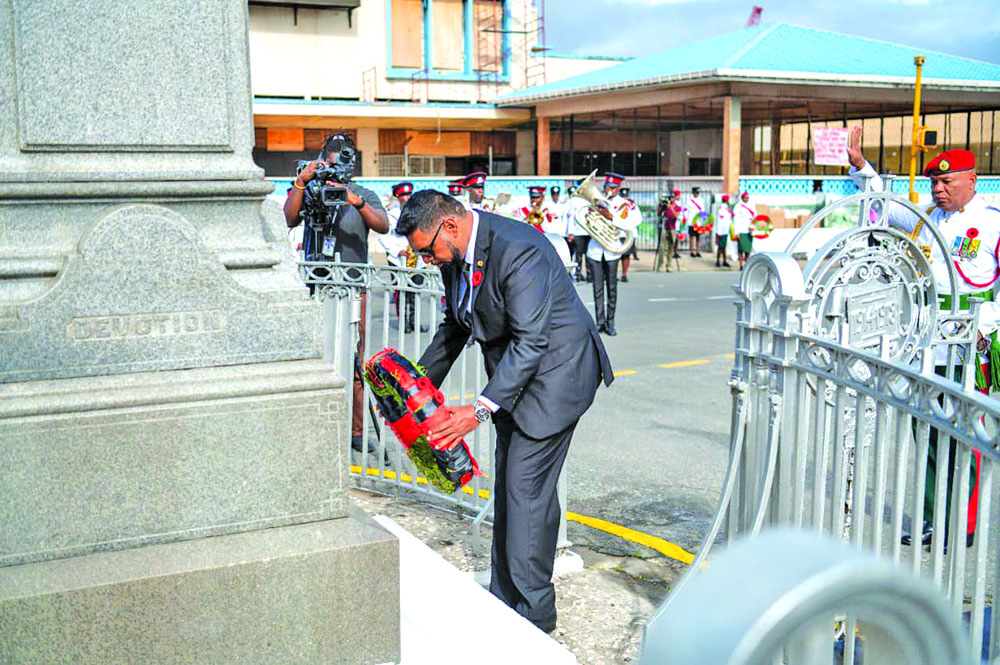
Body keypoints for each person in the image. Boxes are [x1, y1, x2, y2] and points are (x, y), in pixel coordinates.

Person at [395, 190, 614, 634]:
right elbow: (454, 328)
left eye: (427, 250)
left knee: (524, 492)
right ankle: (504, 600)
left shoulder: (519, 249)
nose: (427, 261)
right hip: (516, 381)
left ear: (450, 226)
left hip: (556, 375)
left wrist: (476, 411)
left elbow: (531, 340)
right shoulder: (454, 255)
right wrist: (411, 389)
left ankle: (535, 618)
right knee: (515, 490)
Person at [847, 126, 999, 548]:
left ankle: (964, 526)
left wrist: (989, 326)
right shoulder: (928, 219)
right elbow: (886, 205)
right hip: (926, 340)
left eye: (946, 181)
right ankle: (936, 518)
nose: (938, 188)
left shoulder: (990, 224)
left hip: (970, 343)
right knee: (927, 432)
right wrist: (864, 168)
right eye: (934, 181)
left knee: (964, 435)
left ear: (972, 179)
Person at [283, 133, 390, 453]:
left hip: (354, 286)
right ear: (321, 161)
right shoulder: (310, 188)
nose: (334, 175)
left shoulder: (362, 193)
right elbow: (288, 218)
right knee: (314, 357)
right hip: (317, 286)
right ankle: (313, 424)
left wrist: (353, 201)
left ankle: (356, 430)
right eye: (329, 166)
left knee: (355, 359)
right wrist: (302, 182)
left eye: (341, 167)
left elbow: (383, 225)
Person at [585, 172, 641, 335]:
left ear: (619, 188)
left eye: (614, 187)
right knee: (597, 289)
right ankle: (599, 322)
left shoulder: (626, 205)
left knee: (612, 288)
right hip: (595, 250)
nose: (610, 190)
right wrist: (591, 214)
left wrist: (612, 218)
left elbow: (634, 222)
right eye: (608, 187)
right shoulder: (597, 202)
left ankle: (610, 323)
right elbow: (585, 220)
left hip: (612, 250)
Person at [379, 181, 428, 333]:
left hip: (417, 259)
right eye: (403, 196)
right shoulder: (391, 215)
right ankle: (403, 322)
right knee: (401, 291)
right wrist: (396, 251)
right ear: (397, 198)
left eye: (408, 195)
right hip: (399, 259)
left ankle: (414, 321)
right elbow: (384, 237)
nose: (406, 198)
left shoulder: (420, 213)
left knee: (416, 291)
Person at [568, 183, 592, 282]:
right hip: (578, 231)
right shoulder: (573, 201)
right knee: (579, 255)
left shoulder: (589, 200)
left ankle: (590, 274)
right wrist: (570, 232)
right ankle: (578, 273)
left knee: (588, 255)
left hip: (589, 231)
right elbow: (570, 217)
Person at [618, 186, 641, 283]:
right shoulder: (616, 205)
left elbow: (638, 219)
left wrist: (628, 225)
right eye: (623, 196)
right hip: (618, 233)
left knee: (626, 255)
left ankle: (624, 274)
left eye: (626, 196)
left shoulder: (633, 206)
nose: (625, 198)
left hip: (629, 233)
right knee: (614, 256)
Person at [732, 191, 755, 270]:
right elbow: (735, 220)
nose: (746, 199)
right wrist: (736, 232)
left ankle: (746, 264)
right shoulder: (738, 206)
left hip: (749, 231)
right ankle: (741, 264)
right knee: (741, 249)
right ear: (742, 198)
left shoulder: (752, 205)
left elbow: (755, 217)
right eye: (745, 198)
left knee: (748, 249)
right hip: (741, 230)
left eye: (747, 198)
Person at [684, 186, 707, 257]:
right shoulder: (689, 200)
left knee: (698, 237)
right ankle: (691, 251)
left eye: (698, 193)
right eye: (695, 192)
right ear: (693, 193)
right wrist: (687, 218)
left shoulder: (702, 200)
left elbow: (703, 210)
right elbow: (685, 210)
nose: (697, 194)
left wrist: (704, 218)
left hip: (699, 221)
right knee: (691, 237)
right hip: (691, 221)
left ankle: (698, 251)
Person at [715, 194, 733, 269]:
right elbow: (720, 221)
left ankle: (724, 261)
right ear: (726, 200)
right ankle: (718, 261)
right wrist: (719, 232)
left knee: (723, 247)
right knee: (720, 247)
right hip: (721, 231)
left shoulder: (726, 208)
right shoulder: (722, 208)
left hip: (725, 230)